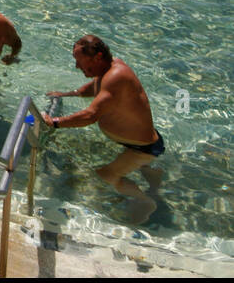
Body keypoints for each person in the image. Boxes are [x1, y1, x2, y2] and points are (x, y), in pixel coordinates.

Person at [43, 34, 164, 222]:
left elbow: (90, 115)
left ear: (97, 57)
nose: (76, 66)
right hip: (142, 141)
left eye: (79, 61)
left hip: (142, 148)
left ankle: (145, 201)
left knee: (106, 174)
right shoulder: (108, 68)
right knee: (145, 167)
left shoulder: (116, 76)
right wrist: (67, 94)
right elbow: (94, 87)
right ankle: (155, 187)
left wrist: (54, 122)